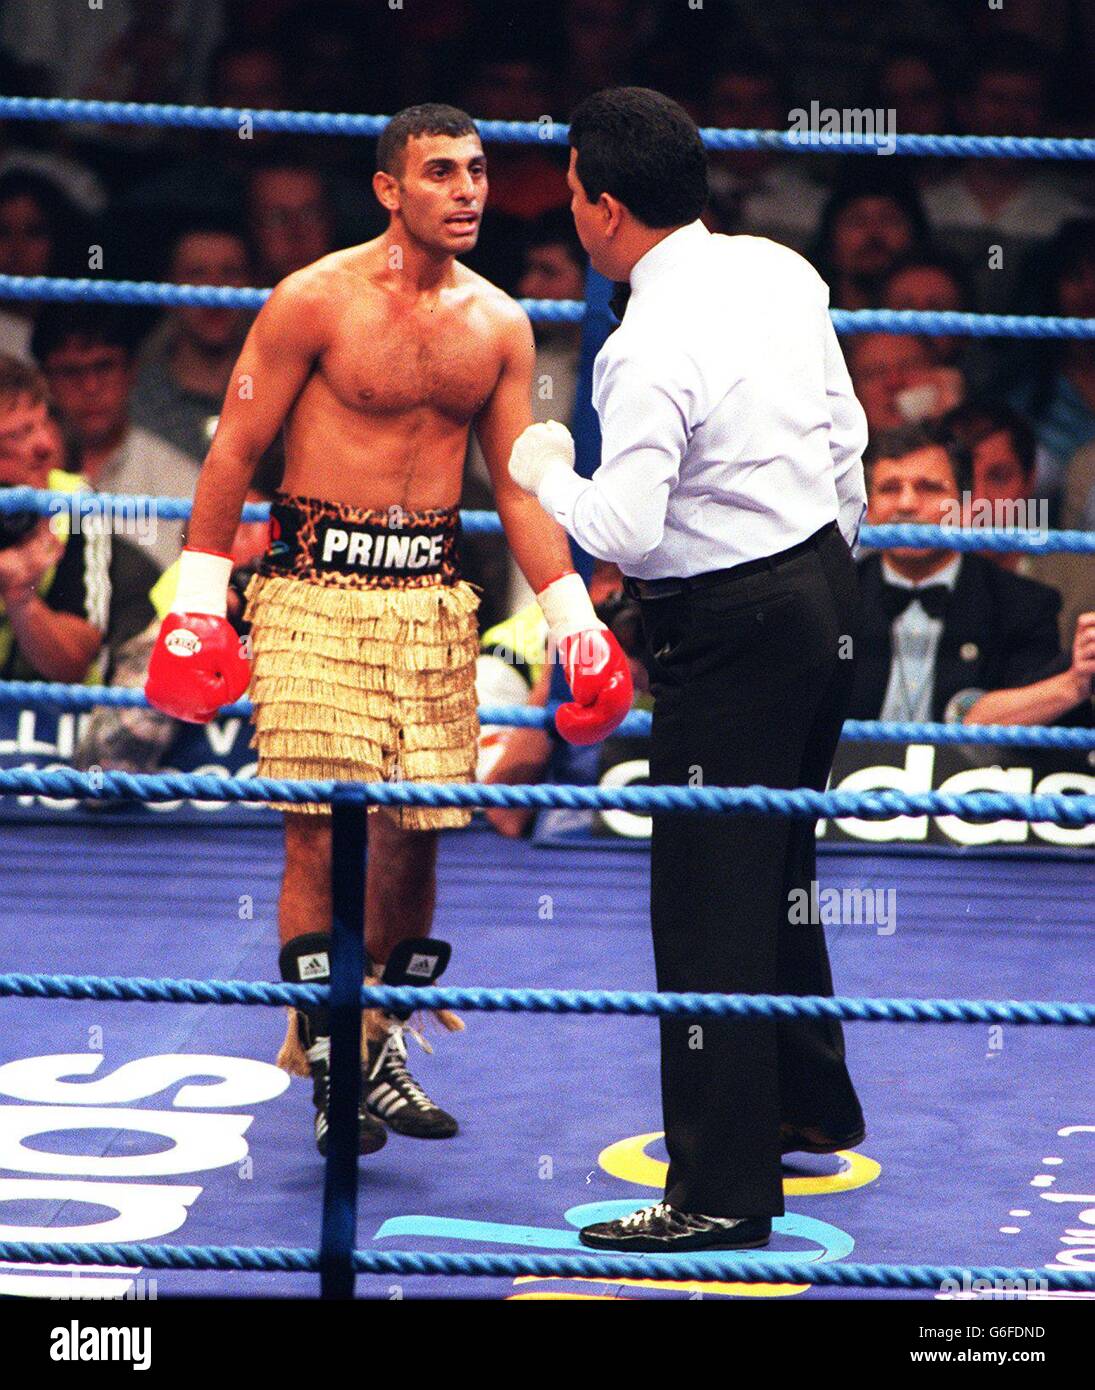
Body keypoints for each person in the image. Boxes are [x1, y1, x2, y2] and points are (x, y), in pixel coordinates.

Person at [142, 104, 632, 1158]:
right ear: (388, 189)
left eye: (479, 171)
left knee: (416, 837)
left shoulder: (499, 324)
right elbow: (233, 455)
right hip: (314, 592)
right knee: (316, 824)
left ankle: (376, 1040)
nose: (468, 191)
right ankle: (326, 1057)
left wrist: (575, 624)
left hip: (429, 603)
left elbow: (518, 486)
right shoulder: (311, 300)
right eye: (442, 172)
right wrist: (192, 607)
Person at [507, 86, 868, 1253]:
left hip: (733, 624)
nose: (568, 211)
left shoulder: (645, 340)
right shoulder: (780, 269)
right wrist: (822, 570)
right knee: (781, 863)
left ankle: (717, 1190)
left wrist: (543, 467)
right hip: (821, 589)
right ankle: (809, 1102)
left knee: (711, 901)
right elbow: (847, 437)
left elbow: (623, 528)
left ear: (606, 209)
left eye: (570, 193)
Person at [847, 422, 1072, 726]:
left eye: (928, 488)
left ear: (965, 507)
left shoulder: (1023, 607)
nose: (907, 504)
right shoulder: (835, 599)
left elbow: (1043, 731)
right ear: (868, 508)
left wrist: (1076, 682)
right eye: (890, 489)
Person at [0, 354, 158, 684]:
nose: (45, 444)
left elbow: (74, 662)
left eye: (43, 423)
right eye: (20, 434)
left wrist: (21, 596)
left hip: (56, 722)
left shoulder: (74, 502)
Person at [32, 304, 201, 569]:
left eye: (104, 366)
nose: (90, 387)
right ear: (44, 380)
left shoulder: (183, 483)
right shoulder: (18, 473)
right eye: (71, 372)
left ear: (132, 371)